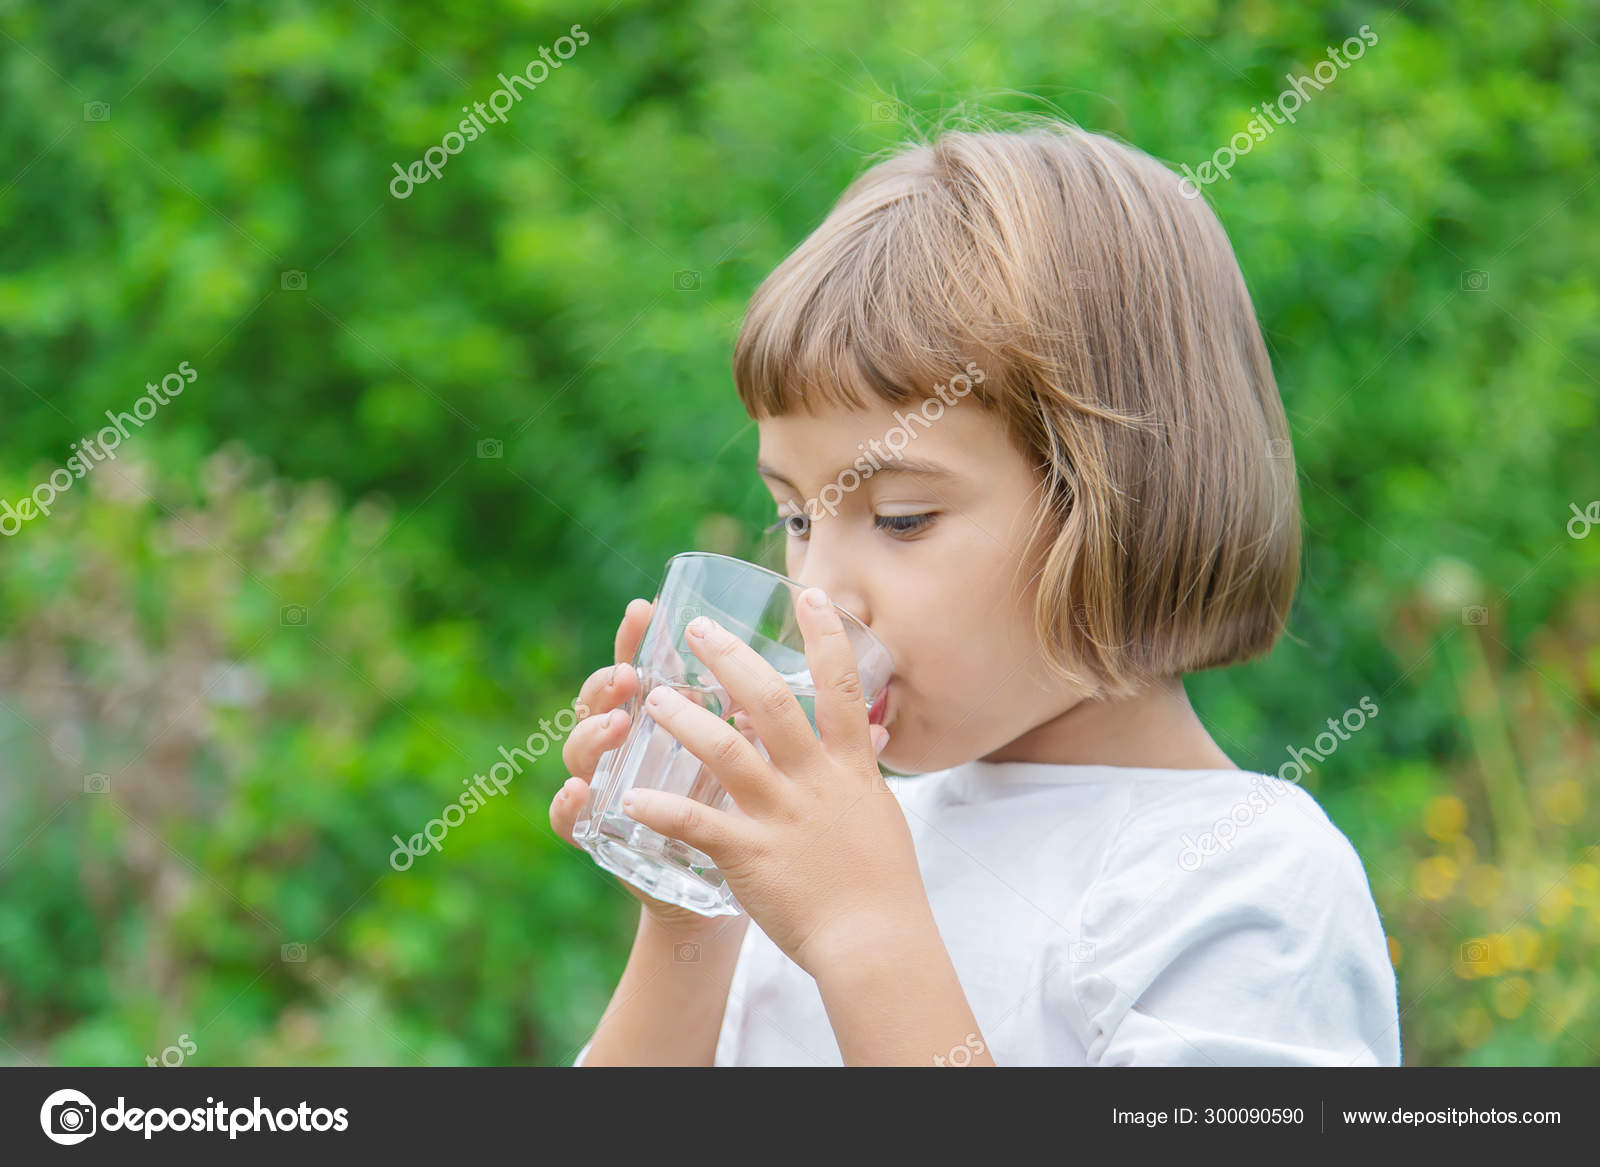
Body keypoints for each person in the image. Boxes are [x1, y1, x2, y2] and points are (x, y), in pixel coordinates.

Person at [548, 117, 1400, 1066]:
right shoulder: (839, 845)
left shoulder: (1244, 878)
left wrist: (866, 933)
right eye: (795, 518)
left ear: (1116, 502)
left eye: (904, 517)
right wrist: (690, 913)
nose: (819, 594)